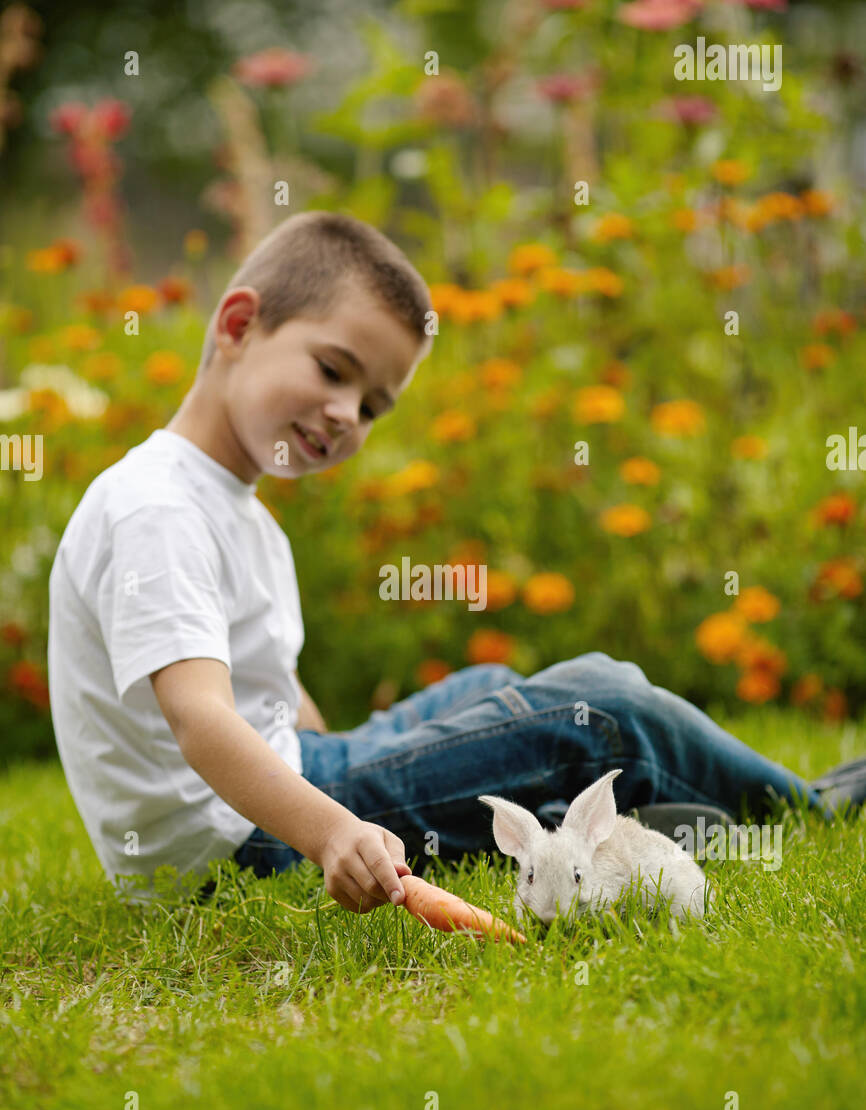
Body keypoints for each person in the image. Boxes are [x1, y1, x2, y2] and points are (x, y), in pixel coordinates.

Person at [47, 211, 864, 914]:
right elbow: (203, 719)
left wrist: (380, 768)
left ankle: (634, 826)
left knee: (487, 691)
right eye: (333, 370)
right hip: (235, 851)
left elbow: (270, 693)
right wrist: (336, 829)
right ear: (236, 325)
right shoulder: (157, 506)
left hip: (279, 793)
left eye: (372, 405)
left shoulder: (227, 502)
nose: (345, 413)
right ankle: (813, 809)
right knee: (592, 707)